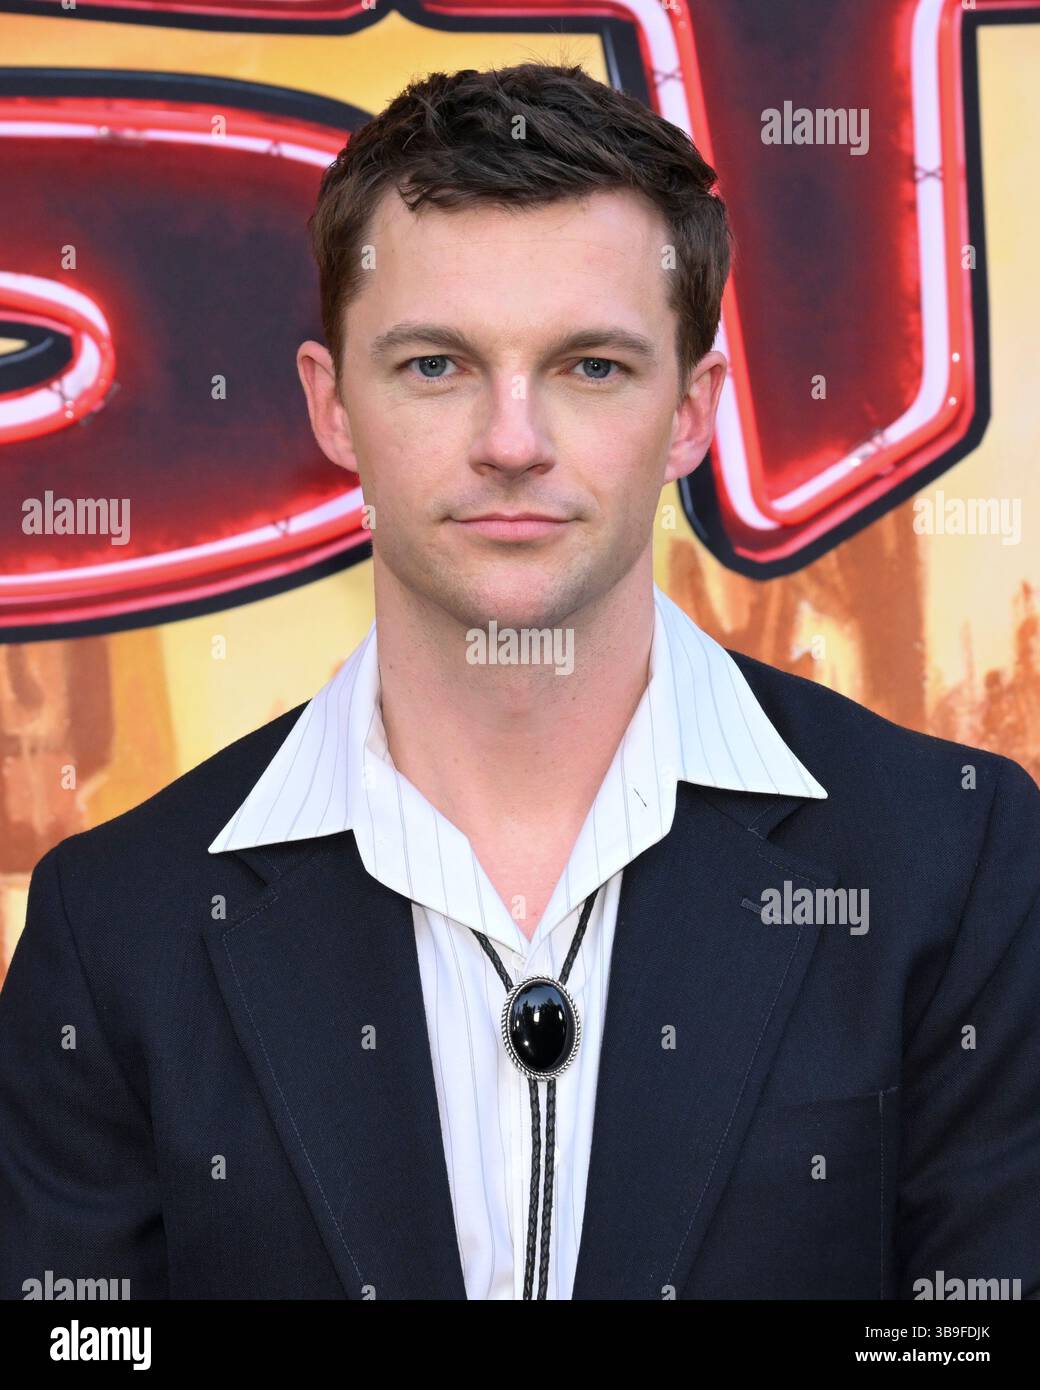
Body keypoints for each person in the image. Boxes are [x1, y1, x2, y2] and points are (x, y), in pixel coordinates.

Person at [2, 61, 1038, 1302]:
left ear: (692, 411)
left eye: (589, 367)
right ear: (333, 407)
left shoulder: (956, 856)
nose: (510, 440)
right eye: (435, 365)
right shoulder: (115, 924)